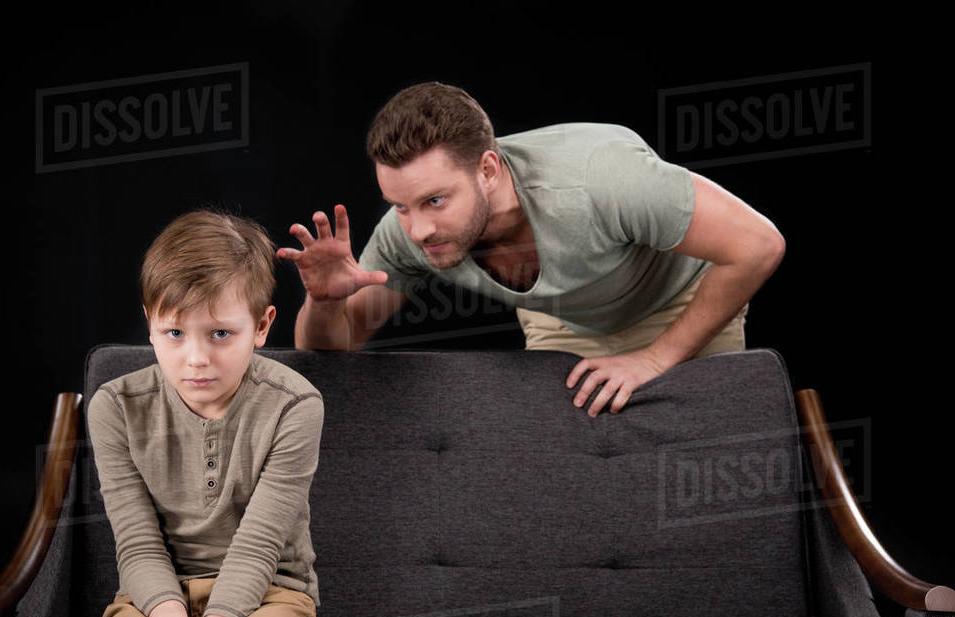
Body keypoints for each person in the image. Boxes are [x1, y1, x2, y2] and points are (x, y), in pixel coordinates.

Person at [280, 81, 785, 418]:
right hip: (563, 319)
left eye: (435, 200)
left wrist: (654, 360)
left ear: (488, 170)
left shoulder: (600, 178)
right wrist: (324, 304)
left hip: (674, 302)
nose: (417, 230)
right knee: (568, 478)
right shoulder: (407, 230)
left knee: (690, 466)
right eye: (401, 205)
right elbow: (332, 350)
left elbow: (758, 245)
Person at [67, 210, 324, 617]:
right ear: (150, 325)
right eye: (174, 333)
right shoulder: (115, 406)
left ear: (262, 326)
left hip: (270, 596)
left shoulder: (294, 406)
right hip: (153, 599)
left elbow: (260, 545)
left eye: (220, 334)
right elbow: (136, 543)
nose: (196, 359)